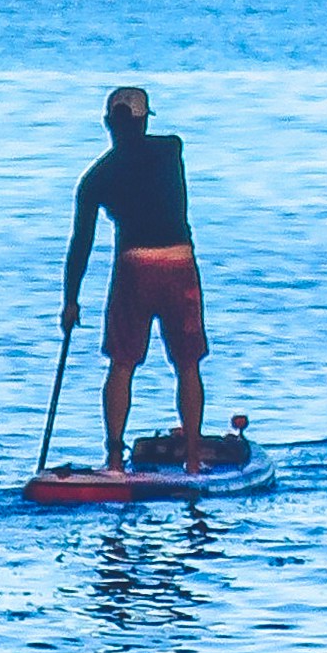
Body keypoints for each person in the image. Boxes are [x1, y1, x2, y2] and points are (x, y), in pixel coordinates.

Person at [61, 85, 210, 472]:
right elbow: (159, 145)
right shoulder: (170, 151)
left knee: (122, 364)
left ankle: (114, 459)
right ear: (143, 120)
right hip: (179, 263)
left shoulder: (96, 178)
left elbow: (82, 243)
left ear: (108, 122)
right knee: (188, 363)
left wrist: (71, 300)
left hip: (134, 268)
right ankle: (193, 458)